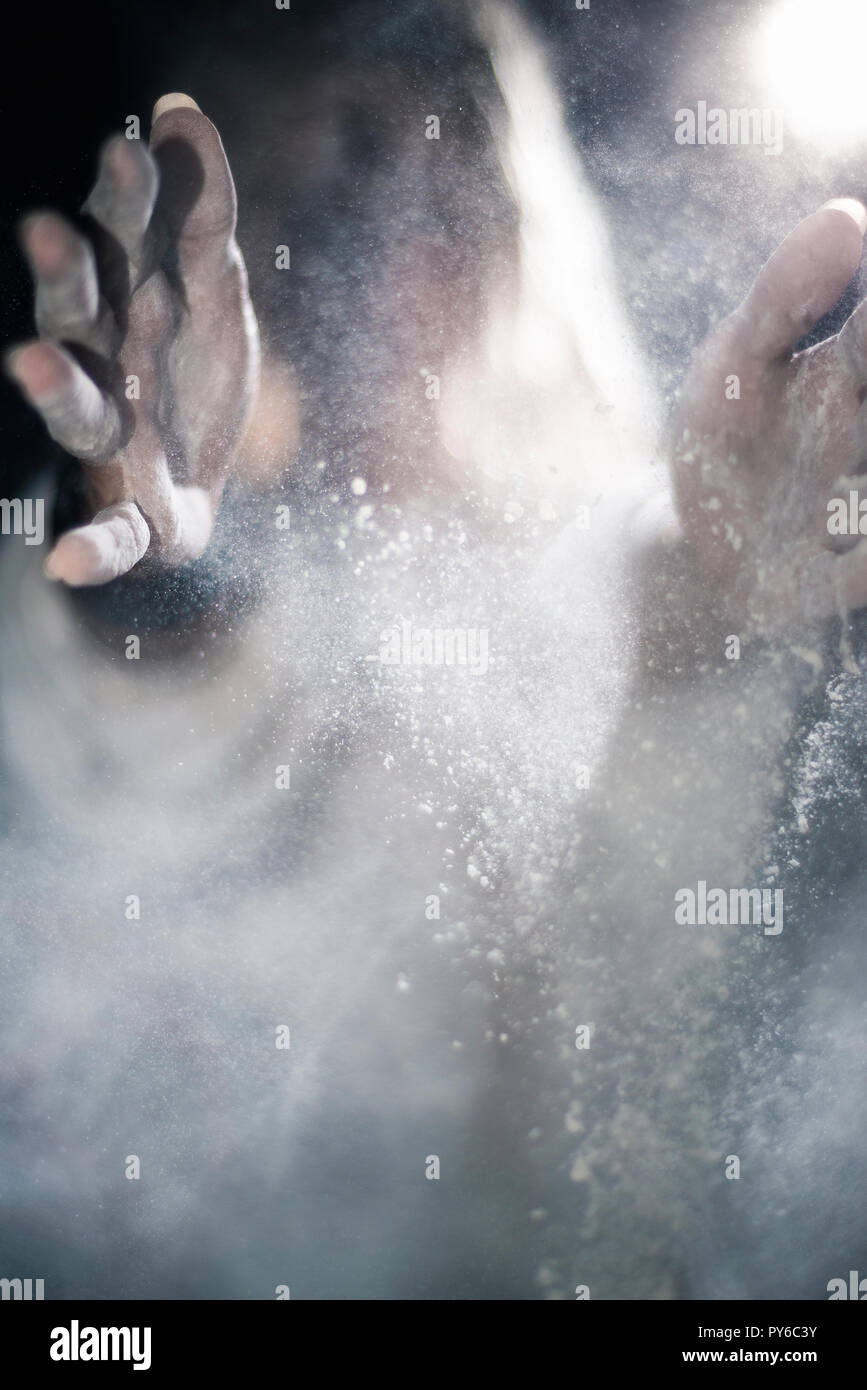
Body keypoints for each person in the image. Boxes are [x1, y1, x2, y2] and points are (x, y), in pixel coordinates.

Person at [3, 0, 867, 1298]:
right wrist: (163, 592)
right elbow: (149, 760)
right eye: (302, 198)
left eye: (419, 166)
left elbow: (628, 591)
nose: (377, 263)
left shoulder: (594, 554)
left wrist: (715, 579)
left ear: (519, 225)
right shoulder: (200, 616)